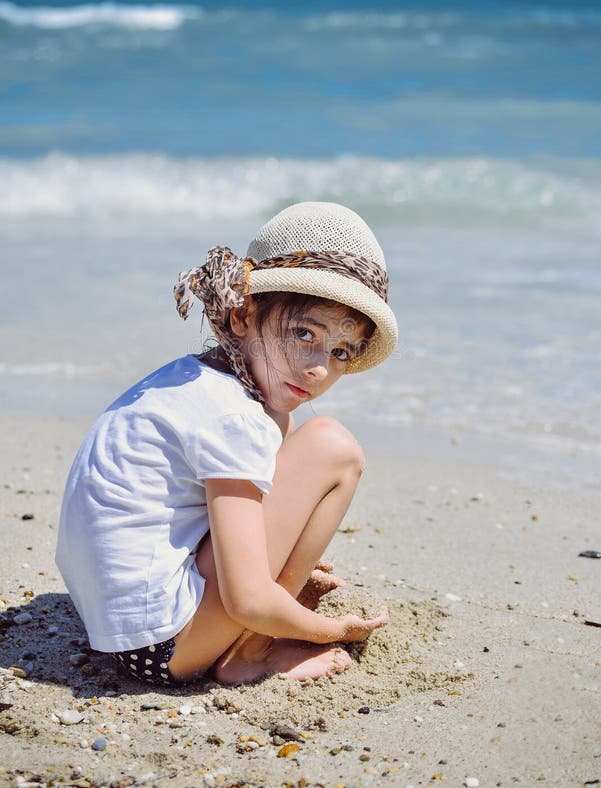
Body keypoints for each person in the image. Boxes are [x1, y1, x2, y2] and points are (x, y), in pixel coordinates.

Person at [55, 201, 398, 687]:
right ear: (242, 315)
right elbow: (249, 600)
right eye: (304, 333)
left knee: (284, 428)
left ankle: (252, 614)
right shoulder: (235, 418)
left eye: (340, 351)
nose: (320, 368)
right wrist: (331, 629)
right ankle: (251, 651)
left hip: (117, 626)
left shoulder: (193, 383)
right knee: (333, 447)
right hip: (164, 645)